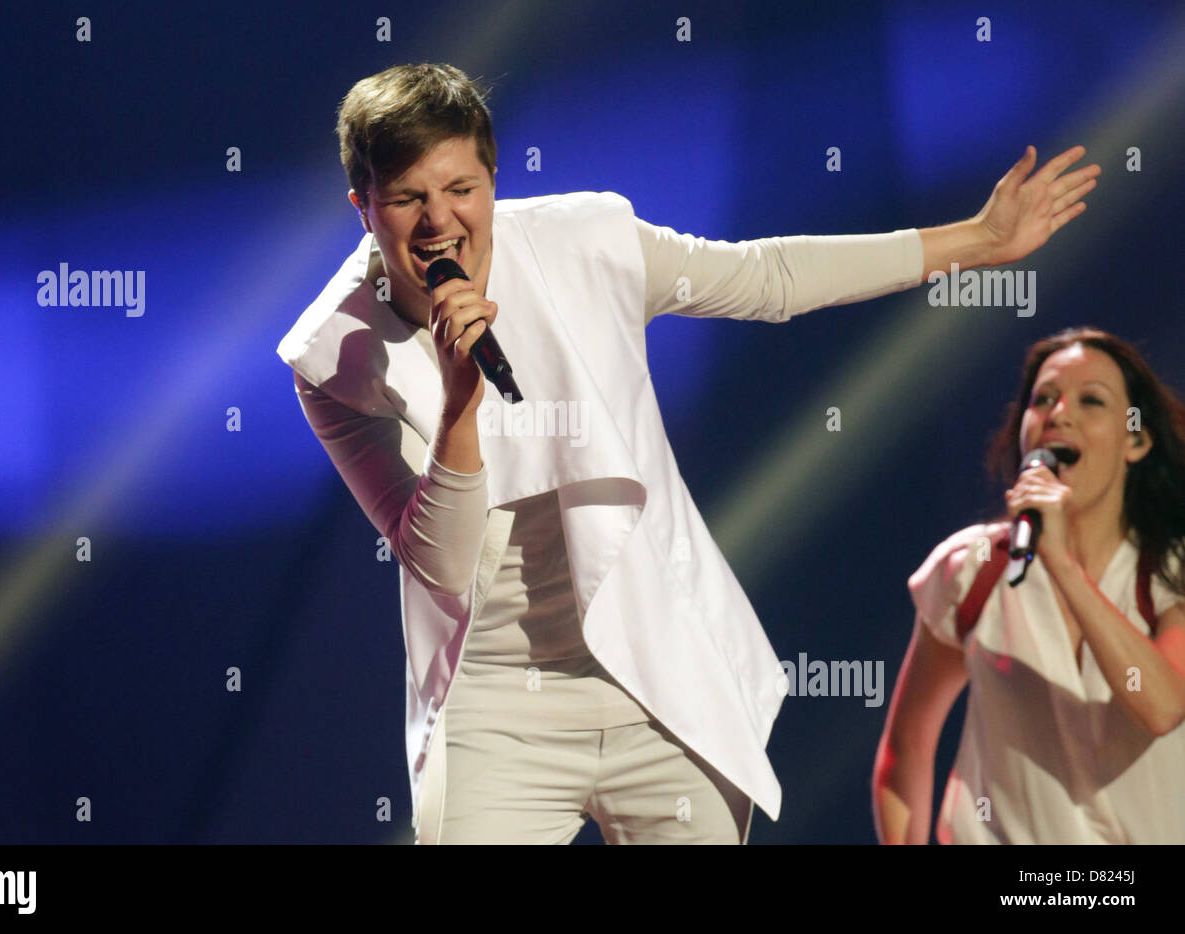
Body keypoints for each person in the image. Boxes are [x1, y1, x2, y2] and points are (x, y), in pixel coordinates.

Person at [276, 62, 1100, 844]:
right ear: (363, 204)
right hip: (496, 704)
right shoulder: (332, 358)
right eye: (408, 199)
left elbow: (767, 278)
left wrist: (978, 239)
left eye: (463, 188)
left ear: (494, 181)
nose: (441, 222)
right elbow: (442, 565)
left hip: (651, 667)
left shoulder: (585, 240)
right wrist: (460, 409)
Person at [873, 327, 1185, 844]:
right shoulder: (974, 567)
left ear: (1137, 440)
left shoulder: (1169, 569)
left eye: (1091, 401)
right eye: (1043, 400)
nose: (1060, 414)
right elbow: (908, 745)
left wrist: (1061, 563)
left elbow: (1161, 705)